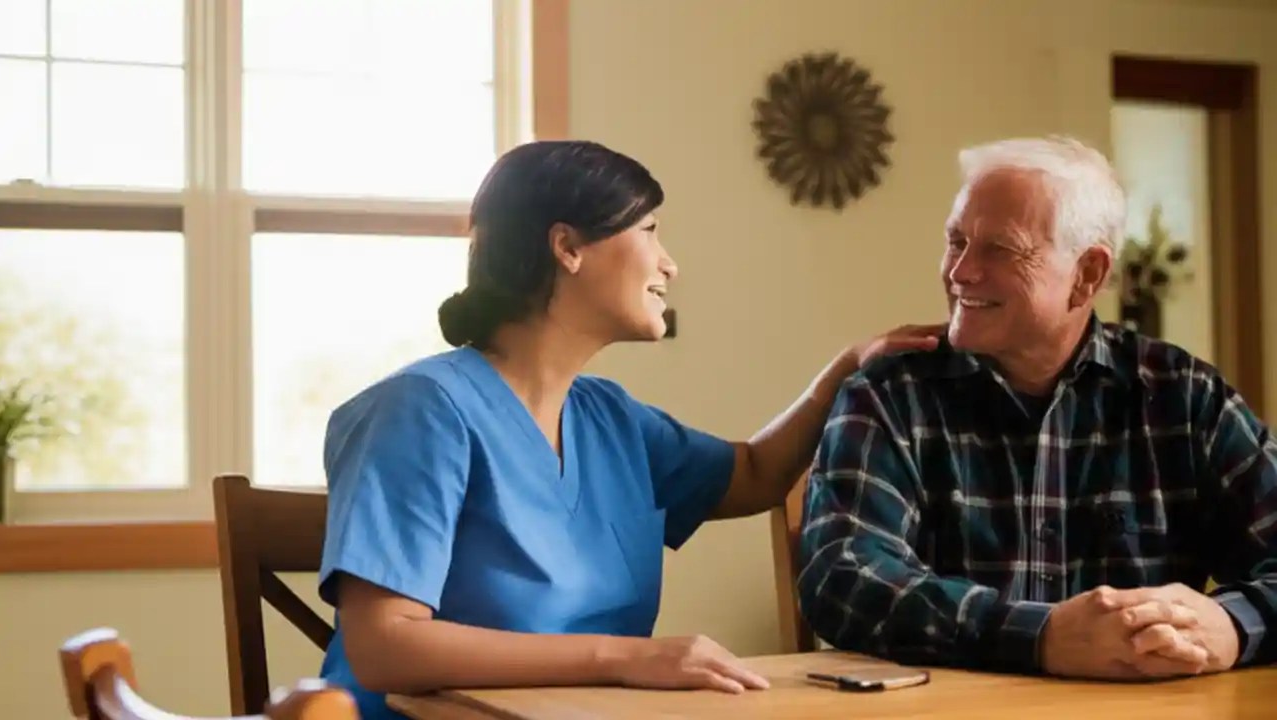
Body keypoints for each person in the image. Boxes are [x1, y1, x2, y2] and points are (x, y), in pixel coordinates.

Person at [316, 139, 941, 719]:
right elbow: (383, 647)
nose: (668, 263)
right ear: (567, 247)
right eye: (649, 231)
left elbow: (754, 475)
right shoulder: (420, 410)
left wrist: (843, 372)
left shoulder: (610, 419)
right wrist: (627, 658)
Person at [798, 136, 1277, 680]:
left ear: (1088, 273)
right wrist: (1041, 637)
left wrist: (1232, 625)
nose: (961, 272)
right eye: (956, 241)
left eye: (999, 249)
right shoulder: (887, 394)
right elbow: (842, 579)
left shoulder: (1184, 397)